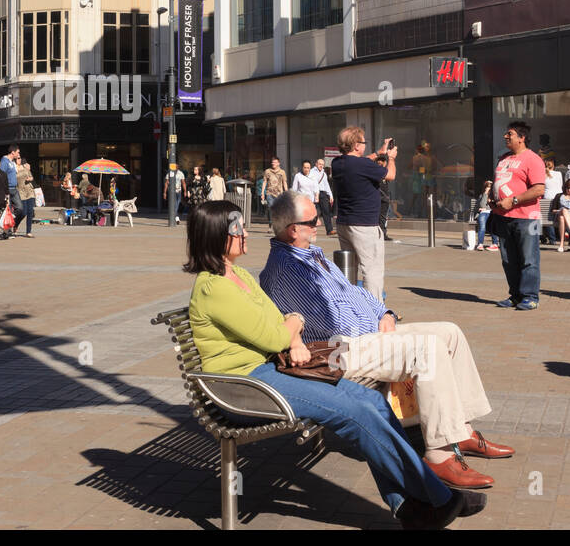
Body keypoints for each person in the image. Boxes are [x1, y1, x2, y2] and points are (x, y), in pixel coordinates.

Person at [184, 199, 486, 528]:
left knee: (370, 400)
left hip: (269, 372)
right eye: (236, 227)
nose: (245, 232)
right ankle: (438, 499)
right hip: (244, 387)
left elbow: (285, 318)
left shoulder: (238, 274)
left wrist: (293, 331)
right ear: (216, 236)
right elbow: (273, 336)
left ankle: (408, 506)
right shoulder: (213, 288)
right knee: (355, 413)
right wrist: (290, 330)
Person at [261, 191, 514, 490]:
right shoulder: (288, 268)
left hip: (363, 338)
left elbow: (354, 294)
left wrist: (386, 312)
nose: (320, 222)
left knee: (449, 332)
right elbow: (338, 323)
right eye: (313, 219)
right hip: (336, 352)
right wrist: (379, 326)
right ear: (293, 230)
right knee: (427, 351)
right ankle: (440, 454)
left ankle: (461, 430)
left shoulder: (311, 254)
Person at [330, 127, 397, 302]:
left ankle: (351, 307)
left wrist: (378, 153)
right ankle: (375, 312)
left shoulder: (337, 164)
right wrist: (390, 158)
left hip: (344, 223)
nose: (365, 145)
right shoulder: (362, 165)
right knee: (372, 270)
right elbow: (390, 175)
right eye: (363, 142)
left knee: (349, 270)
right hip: (365, 225)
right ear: (356, 145)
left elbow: (359, 163)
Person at [491, 120, 547, 310]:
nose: (506, 136)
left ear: (522, 138)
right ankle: (515, 295)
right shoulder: (504, 158)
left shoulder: (533, 159)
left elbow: (539, 189)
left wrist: (513, 200)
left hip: (527, 218)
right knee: (508, 260)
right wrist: (493, 199)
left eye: (510, 134)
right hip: (503, 216)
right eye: (506, 134)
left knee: (529, 258)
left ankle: (530, 297)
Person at [0, 146, 26, 233]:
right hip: (7, 189)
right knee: (8, 210)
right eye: (18, 152)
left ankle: (11, 219)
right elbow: (1, 175)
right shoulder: (4, 161)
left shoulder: (12, 162)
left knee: (20, 208)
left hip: (14, 189)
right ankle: (6, 232)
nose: (19, 154)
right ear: (12, 152)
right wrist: (4, 190)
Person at [309, 158, 335, 235]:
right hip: (314, 193)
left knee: (326, 211)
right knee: (314, 212)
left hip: (323, 194)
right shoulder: (311, 172)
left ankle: (329, 230)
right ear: (316, 164)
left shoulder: (324, 173)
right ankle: (310, 230)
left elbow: (326, 185)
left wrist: (330, 195)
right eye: (320, 164)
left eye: (322, 164)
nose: (321, 166)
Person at [542, 158, 563, 245]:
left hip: (547, 196)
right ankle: (561, 236)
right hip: (558, 197)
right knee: (560, 217)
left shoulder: (542, 174)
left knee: (548, 219)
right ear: (553, 165)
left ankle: (552, 239)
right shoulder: (559, 173)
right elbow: (561, 184)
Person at [474, 180, 499, 251]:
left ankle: (495, 244)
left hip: (492, 212)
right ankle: (480, 244)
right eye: (487, 186)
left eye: (490, 186)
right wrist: (485, 194)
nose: (489, 188)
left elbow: (494, 205)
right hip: (483, 213)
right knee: (482, 228)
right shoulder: (482, 195)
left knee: (493, 227)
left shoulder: (495, 195)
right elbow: (482, 205)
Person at [15, 154, 37, 237]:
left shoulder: (25, 168)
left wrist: (30, 179)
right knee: (23, 212)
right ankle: (15, 224)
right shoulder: (13, 169)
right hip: (20, 191)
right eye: (17, 158)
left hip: (29, 191)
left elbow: (31, 177)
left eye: (20, 158)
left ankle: (28, 232)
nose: (19, 159)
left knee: (30, 211)